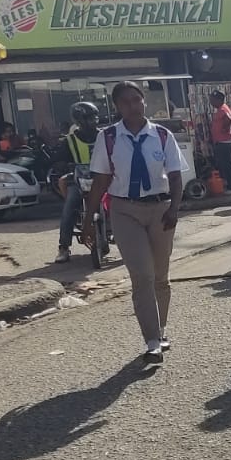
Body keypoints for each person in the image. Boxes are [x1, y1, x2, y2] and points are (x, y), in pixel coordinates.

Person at [84, 81, 185, 367]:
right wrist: (89, 218)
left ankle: (162, 329)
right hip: (125, 210)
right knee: (142, 275)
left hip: (161, 210)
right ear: (117, 107)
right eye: (125, 101)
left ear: (144, 101)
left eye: (136, 99)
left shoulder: (162, 136)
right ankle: (152, 342)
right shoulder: (109, 138)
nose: (133, 105)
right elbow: (101, 180)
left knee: (161, 276)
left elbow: (176, 176)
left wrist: (175, 209)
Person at [54, 101, 102, 262]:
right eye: (89, 118)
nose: (93, 122)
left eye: (95, 118)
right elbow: (60, 159)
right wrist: (61, 164)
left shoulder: (104, 136)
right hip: (79, 181)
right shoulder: (69, 141)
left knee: (123, 205)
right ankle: (64, 247)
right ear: (79, 121)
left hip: (104, 181)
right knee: (69, 208)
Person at [208, 90, 231, 190]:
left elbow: (228, 119)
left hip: (224, 142)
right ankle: (228, 184)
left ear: (219, 99)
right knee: (224, 164)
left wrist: (224, 129)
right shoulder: (220, 109)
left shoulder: (223, 109)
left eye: (213, 100)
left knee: (227, 164)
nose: (211, 102)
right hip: (221, 141)